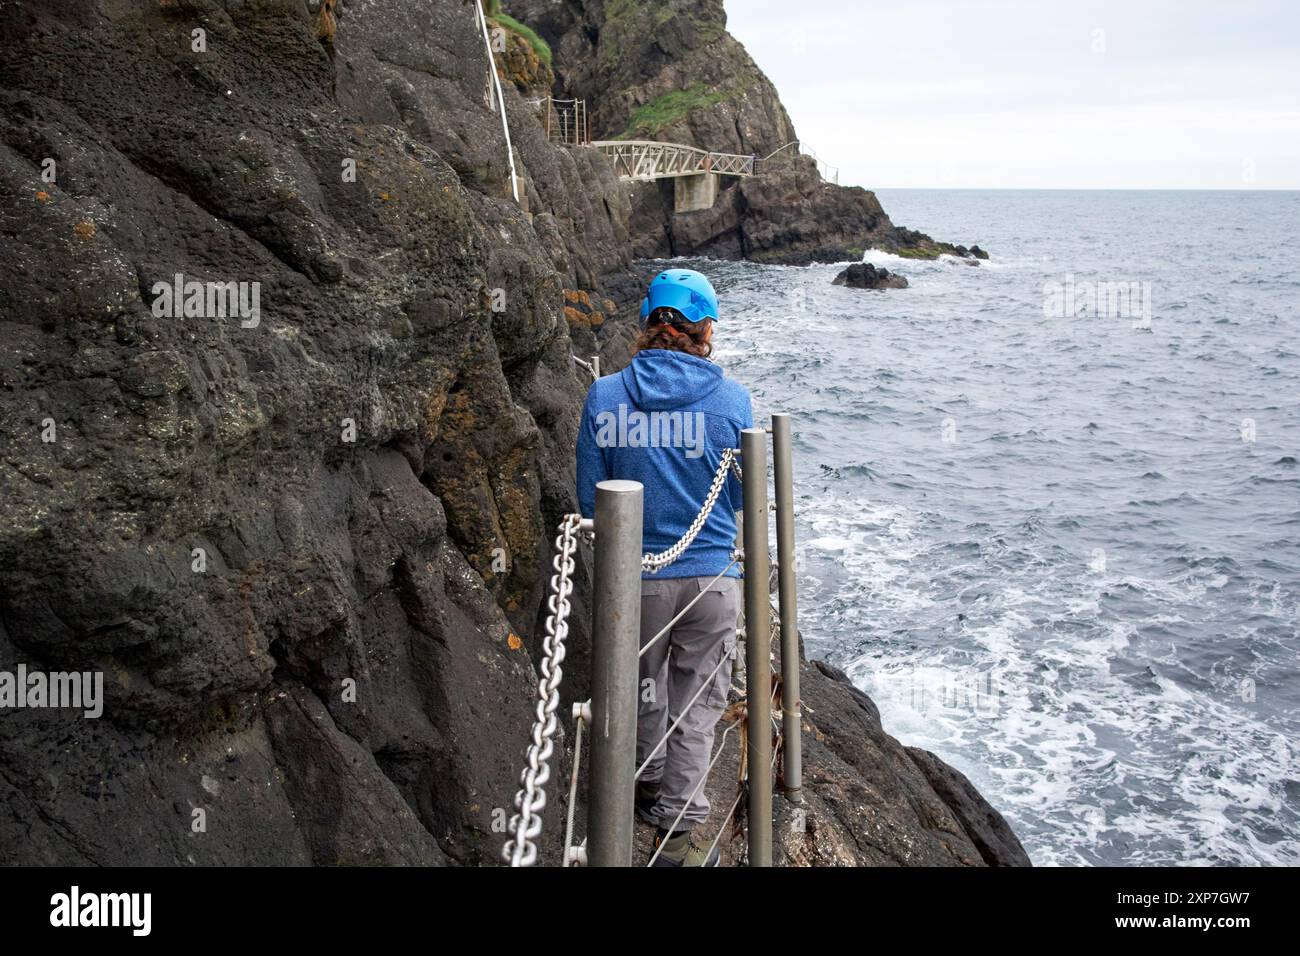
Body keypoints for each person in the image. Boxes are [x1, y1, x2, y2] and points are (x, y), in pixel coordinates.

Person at [576, 268, 753, 866]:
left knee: (640, 688)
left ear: (649, 319)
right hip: (712, 578)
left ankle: (646, 779)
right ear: (704, 328)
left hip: (637, 577)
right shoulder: (733, 401)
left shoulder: (603, 395)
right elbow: (740, 499)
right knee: (699, 703)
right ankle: (677, 830)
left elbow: (589, 500)